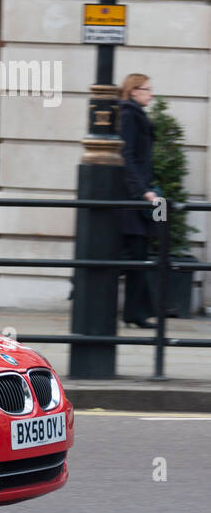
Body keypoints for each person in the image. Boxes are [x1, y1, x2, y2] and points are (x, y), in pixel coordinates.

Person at [117, 73, 158, 328]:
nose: (151, 94)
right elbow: (127, 155)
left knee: (136, 254)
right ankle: (135, 313)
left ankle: (136, 313)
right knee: (134, 254)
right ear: (134, 91)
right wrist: (143, 191)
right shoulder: (130, 115)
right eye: (147, 89)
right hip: (131, 198)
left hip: (134, 195)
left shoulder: (135, 114)